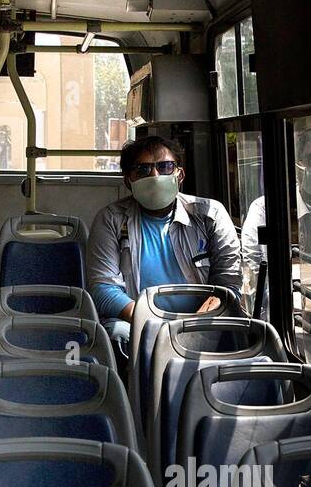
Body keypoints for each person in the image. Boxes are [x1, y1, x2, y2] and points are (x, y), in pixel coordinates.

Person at [86, 135, 242, 359]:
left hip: (204, 320)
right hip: (138, 323)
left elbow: (228, 286)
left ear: (180, 175)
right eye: (143, 169)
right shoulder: (111, 219)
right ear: (128, 180)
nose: (155, 176)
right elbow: (103, 289)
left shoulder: (211, 215)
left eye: (165, 166)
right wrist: (154, 323)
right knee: (117, 334)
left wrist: (193, 327)